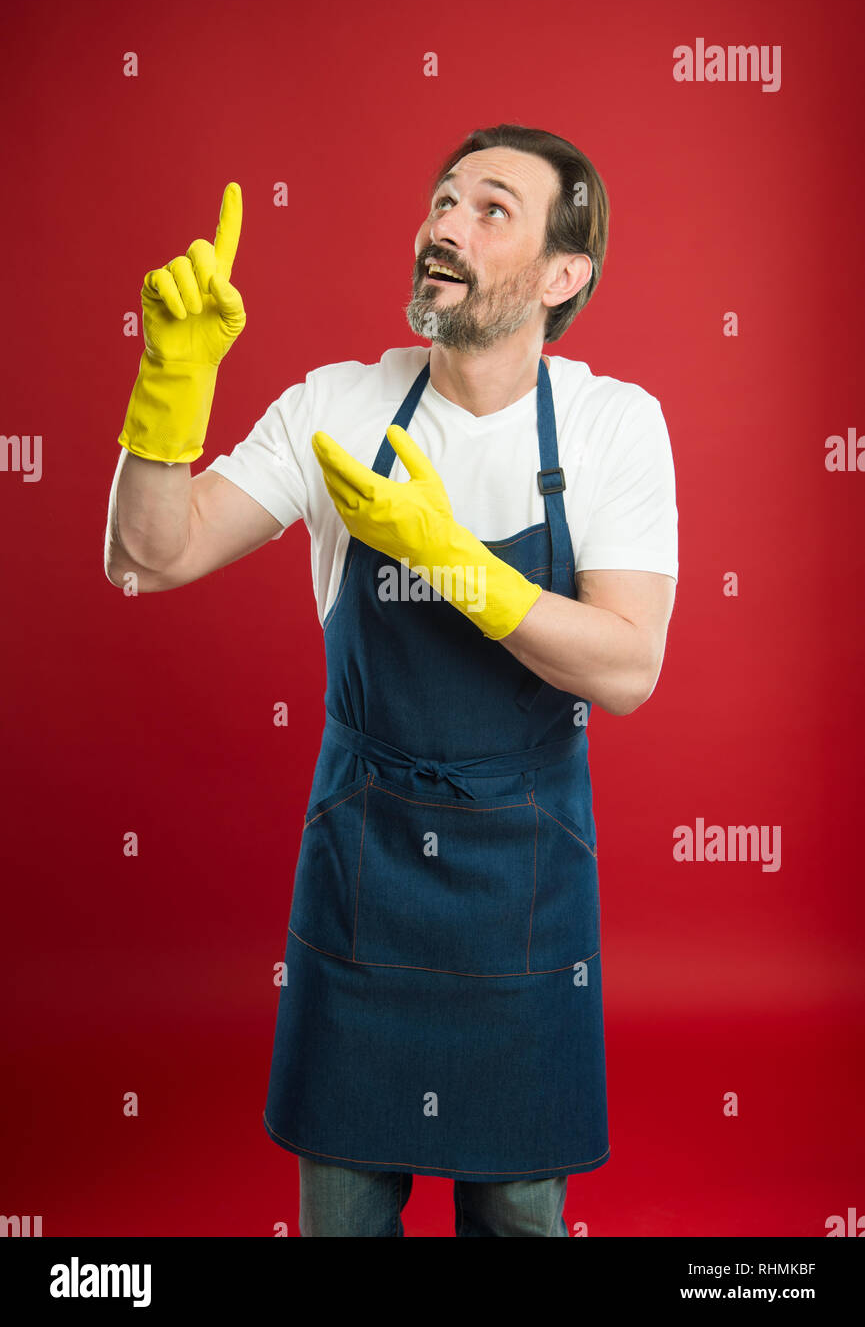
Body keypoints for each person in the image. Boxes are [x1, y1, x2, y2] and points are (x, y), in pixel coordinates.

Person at [104, 123, 678, 1237]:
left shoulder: (615, 425)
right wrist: (169, 387)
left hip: (524, 887)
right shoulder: (337, 407)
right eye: (443, 201)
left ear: (565, 275)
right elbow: (148, 556)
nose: (446, 227)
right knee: (344, 1212)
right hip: (363, 873)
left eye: (491, 209)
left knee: (517, 1212)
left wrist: (447, 556)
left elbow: (628, 665)